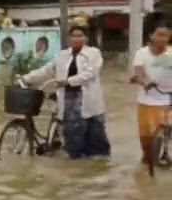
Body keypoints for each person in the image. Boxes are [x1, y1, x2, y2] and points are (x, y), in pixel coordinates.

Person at [20, 25, 110, 159]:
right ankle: (75, 162)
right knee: (73, 138)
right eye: (74, 35)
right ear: (69, 38)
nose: (77, 38)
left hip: (88, 100)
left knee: (96, 142)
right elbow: (47, 70)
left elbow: (90, 74)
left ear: (85, 38)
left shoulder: (93, 53)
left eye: (80, 35)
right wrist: (26, 78)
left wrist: (67, 81)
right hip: (67, 100)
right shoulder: (63, 55)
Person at [132, 25, 172, 166]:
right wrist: (144, 82)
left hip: (167, 98)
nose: (162, 38)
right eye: (159, 35)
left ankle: (165, 152)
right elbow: (139, 72)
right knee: (146, 137)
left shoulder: (170, 54)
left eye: (165, 35)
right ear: (152, 36)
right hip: (146, 99)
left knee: (164, 130)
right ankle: (148, 159)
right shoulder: (141, 53)